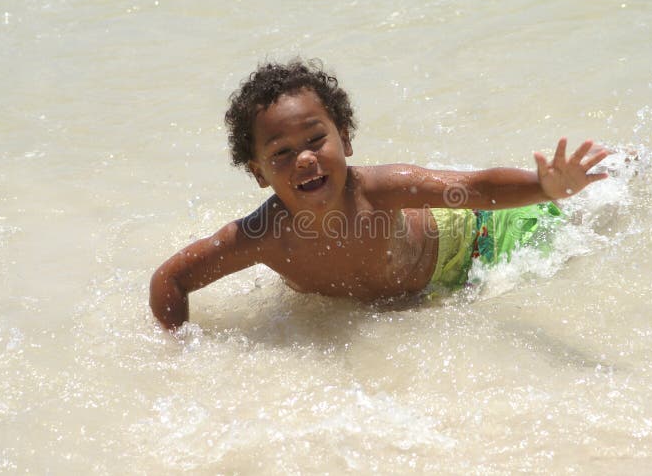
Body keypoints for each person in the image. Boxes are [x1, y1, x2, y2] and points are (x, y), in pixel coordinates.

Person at [150, 60, 609, 330]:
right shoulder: (261, 237)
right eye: (283, 153)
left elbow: (475, 188)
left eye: (315, 140)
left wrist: (544, 186)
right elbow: (171, 280)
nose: (305, 159)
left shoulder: (381, 190)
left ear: (345, 139)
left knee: (604, 203)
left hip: (478, 243)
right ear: (259, 174)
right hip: (412, 297)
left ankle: (623, 162)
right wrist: (181, 359)